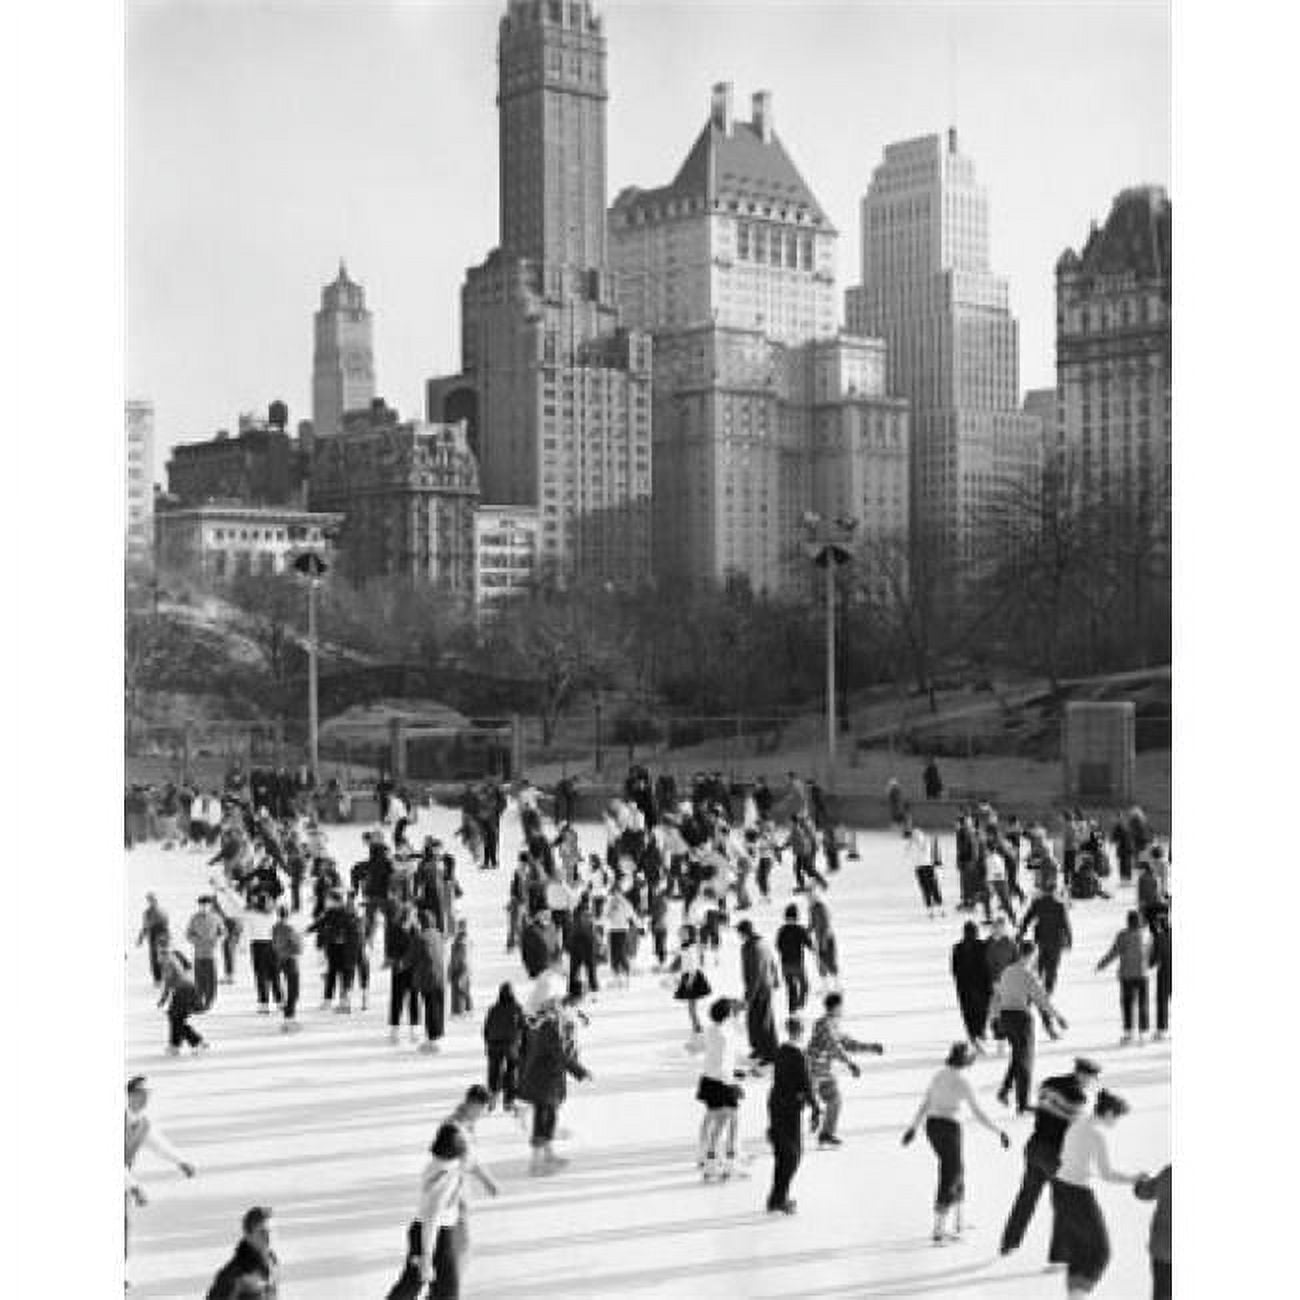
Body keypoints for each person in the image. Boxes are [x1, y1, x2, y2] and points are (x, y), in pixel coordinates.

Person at [901, 1043, 1010, 1243]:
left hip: (932, 1126)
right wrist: (999, 1131)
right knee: (951, 1173)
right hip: (950, 1128)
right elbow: (978, 1112)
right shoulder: (963, 1081)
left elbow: (926, 1102)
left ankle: (959, 1221)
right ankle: (939, 1230)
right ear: (967, 1061)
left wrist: (913, 1128)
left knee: (957, 1169)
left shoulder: (939, 1075)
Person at [999, 1057, 1102, 1256]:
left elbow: (1043, 1111)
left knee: (1026, 1197)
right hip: (1054, 1154)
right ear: (1082, 1074)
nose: (1092, 1083)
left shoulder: (1048, 1083)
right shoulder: (1078, 1097)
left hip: (1034, 1146)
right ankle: (1061, 1254)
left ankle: (1009, 1243)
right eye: (1092, 1078)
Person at [1049, 1090, 1143, 1297]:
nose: (1117, 1122)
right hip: (1078, 1193)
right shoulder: (1097, 1135)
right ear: (1109, 1113)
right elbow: (1107, 1175)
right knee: (1102, 1251)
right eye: (1117, 1117)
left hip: (1059, 1189)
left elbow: (1068, 1157)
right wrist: (1134, 1178)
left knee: (1079, 1251)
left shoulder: (1078, 1123)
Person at [516, 991, 592, 1174]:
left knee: (548, 1118)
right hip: (544, 1079)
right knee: (543, 1119)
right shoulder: (549, 1027)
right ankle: (535, 1164)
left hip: (546, 1078)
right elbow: (559, 1054)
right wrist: (580, 1071)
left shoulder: (548, 1024)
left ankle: (548, 1155)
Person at [125, 1075, 195, 1273]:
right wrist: (135, 1187)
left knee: (124, 1227)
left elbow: (158, 1144)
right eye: (140, 1094)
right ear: (128, 1095)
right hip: (126, 1183)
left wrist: (180, 1161)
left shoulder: (142, 1123)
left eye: (147, 1094)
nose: (145, 1098)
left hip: (124, 1185)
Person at [992, 941, 1068, 1113]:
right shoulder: (1028, 974)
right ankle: (1023, 1104)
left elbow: (997, 996)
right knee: (1026, 1060)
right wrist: (1058, 1017)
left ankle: (1005, 1090)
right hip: (1021, 1018)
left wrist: (995, 1019)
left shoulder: (1007, 971)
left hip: (1005, 1017)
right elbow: (1042, 999)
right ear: (1031, 955)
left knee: (1019, 1055)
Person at [806, 992, 883, 1147]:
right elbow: (834, 1047)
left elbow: (848, 1043)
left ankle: (826, 1134)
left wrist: (870, 1047)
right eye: (841, 1007)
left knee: (835, 1101)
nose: (843, 1010)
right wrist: (849, 1064)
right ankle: (779, 1128)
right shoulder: (823, 1024)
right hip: (812, 1071)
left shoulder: (834, 1024)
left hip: (825, 1073)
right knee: (803, 1102)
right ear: (835, 1007)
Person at [765, 1017, 820, 1215]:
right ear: (800, 1031)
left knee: (783, 1155)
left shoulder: (780, 1050)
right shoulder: (798, 1054)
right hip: (789, 1108)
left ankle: (777, 1197)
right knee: (793, 1155)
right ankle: (779, 1198)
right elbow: (806, 1084)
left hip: (776, 1103)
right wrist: (816, 1110)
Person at [696, 998, 749, 1181]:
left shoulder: (711, 1030)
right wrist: (736, 1078)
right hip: (721, 1082)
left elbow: (702, 1050)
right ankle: (730, 1161)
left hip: (708, 1081)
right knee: (731, 1120)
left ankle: (710, 1162)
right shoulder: (724, 1036)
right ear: (727, 1016)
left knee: (716, 1122)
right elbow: (724, 1063)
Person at [1019, 885, 1073, 1030]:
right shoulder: (1059, 904)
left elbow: (1027, 918)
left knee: (1039, 970)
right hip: (1055, 944)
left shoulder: (1038, 902)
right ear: (1054, 892)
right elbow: (1066, 924)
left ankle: (1035, 996)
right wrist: (1069, 940)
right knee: (1051, 971)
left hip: (1041, 942)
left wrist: (1021, 932)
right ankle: (1045, 996)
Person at [1096, 911, 1150, 1045]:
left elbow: (1114, 952)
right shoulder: (1146, 935)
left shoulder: (1122, 935)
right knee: (1143, 1004)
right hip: (1142, 975)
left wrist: (1102, 964)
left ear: (1128, 922)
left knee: (1127, 1005)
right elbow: (1151, 952)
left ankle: (1128, 1034)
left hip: (1126, 976)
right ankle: (1143, 1034)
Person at [206, 1205, 279, 1299]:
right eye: (262, 1232)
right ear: (248, 1235)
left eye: (272, 1231)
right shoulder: (234, 1274)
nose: (269, 1238)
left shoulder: (273, 1263)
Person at [737, 920, 780, 1066]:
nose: (739, 936)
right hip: (762, 987)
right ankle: (759, 1048)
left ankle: (770, 1054)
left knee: (762, 1021)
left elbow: (756, 974)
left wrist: (749, 997)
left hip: (760, 989)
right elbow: (772, 962)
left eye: (740, 933)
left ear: (744, 933)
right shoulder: (760, 943)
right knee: (755, 1020)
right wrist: (776, 979)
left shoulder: (754, 947)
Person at [483, 982, 526, 1113]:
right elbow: (524, 1027)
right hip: (511, 1045)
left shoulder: (493, 1009)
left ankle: (492, 1096)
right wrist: (524, 1045)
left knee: (494, 1070)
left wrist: (488, 1042)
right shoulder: (517, 1008)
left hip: (494, 1044)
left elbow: (486, 1028)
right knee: (512, 1070)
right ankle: (509, 1100)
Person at [410, 910, 448, 1053]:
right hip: (439, 976)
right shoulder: (438, 934)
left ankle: (432, 1041)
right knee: (438, 1006)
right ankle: (437, 1035)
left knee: (430, 1008)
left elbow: (411, 958)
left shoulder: (420, 938)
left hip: (427, 978)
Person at [951, 921, 992, 1052]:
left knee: (969, 1012)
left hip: (964, 987)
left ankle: (974, 1035)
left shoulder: (957, 947)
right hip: (981, 985)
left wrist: (959, 982)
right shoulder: (982, 946)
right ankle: (978, 1034)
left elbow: (954, 969)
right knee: (982, 1011)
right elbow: (987, 966)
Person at [1134, 1164, 1172, 1300]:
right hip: (1163, 1250)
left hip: (1163, 1251)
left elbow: (1144, 1192)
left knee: (1162, 1294)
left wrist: (1141, 1181)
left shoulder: (1170, 1173)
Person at [158, 951, 208, 1056]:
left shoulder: (168, 963)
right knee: (175, 1018)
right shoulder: (171, 962)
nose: (158, 958)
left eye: (160, 955)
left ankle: (196, 1041)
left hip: (184, 992)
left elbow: (168, 983)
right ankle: (175, 1045)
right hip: (183, 991)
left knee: (176, 1019)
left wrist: (163, 1000)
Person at [185, 896, 225, 1011]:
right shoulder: (194, 918)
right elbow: (188, 934)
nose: (204, 908)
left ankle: (208, 1002)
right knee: (199, 980)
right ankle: (198, 1002)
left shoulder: (216, 918)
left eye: (206, 905)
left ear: (210, 906)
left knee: (211, 980)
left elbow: (223, 933)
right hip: (198, 954)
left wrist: (216, 940)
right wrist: (196, 941)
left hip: (211, 955)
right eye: (201, 905)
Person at [245, 894, 282, 1015]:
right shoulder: (274, 915)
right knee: (274, 975)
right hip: (273, 945)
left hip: (259, 946)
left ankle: (264, 1004)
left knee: (261, 975)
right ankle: (279, 1001)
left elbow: (237, 906)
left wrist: (225, 890)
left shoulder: (251, 914)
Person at [775, 904, 814, 1013]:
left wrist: (784, 953)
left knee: (791, 987)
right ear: (797, 916)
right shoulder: (800, 929)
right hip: (797, 964)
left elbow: (777, 945)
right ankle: (799, 1004)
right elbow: (809, 944)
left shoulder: (781, 930)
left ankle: (792, 1009)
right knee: (804, 985)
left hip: (785, 964)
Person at [270, 906, 303, 1033]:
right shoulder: (290, 929)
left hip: (280, 959)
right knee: (293, 990)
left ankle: (288, 1018)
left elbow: (274, 944)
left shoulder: (275, 928)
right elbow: (298, 948)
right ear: (288, 915)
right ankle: (289, 1019)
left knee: (289, 989)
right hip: (291, 960)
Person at [903, 820, 943, 917]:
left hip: (920, 868)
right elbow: (933, 851)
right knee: (934, 887)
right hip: (928, 866)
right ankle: (940, 908)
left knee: (926, 889)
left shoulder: (913, 843)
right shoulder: (926, 841)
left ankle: (931, 909)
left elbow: (907, 853)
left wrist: (910, 843)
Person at [136, 894, 171, 989]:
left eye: (153, 900)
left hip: (163, 936)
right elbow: (144, 927)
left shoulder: (163, 911)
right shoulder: (147, 913)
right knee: (154, 958)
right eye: (150, 900)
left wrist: (167, 937)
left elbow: (166, 925)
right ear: (148, 901)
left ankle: (166, 978)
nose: (152, 902)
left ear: (156, 900)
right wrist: (140, 938)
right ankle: (157, 979)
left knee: (164, 957)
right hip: (152, 936)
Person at [1149, 911, 1172, 1041]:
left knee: (1162, 1001)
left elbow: (1153, 960)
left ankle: (1162, 1030)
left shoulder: (1159, 938)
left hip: (1164, 972)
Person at [448, 919, 473, 1018]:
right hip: (464, 967)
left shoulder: (461, 939)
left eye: (460, 926)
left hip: (461, 967)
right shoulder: (463, 938)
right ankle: (467, 1009)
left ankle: (459, 1011)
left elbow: (458, 956)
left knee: (459, 988)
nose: (458, 928)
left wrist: (451, 968)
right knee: (463, 988)